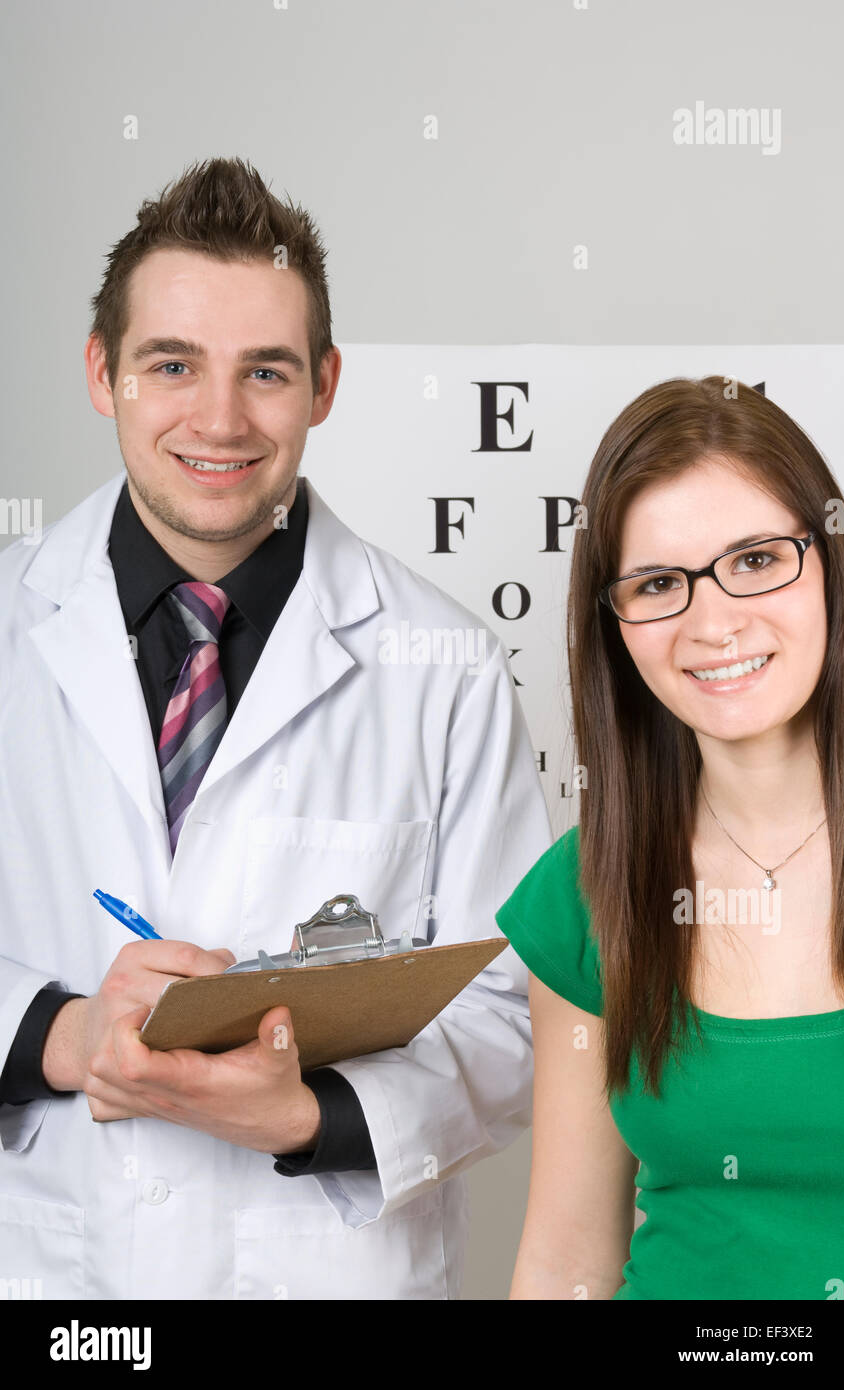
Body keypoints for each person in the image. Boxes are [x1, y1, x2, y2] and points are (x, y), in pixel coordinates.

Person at [0, 157, 551, 1301]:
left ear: (325, 384)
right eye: (172, 365)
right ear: (103, 372)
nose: (219, 418)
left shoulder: (441, 664)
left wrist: (311, 1111)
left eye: (265, 370)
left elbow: (512, 1014)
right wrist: (63, 1035)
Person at [497, 376, 844, 1300]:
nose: (713, 622)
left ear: (831, 563)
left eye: (754, 560)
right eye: (658, 584)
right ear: (614, 625)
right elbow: (564, 1262)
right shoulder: (583, 889)